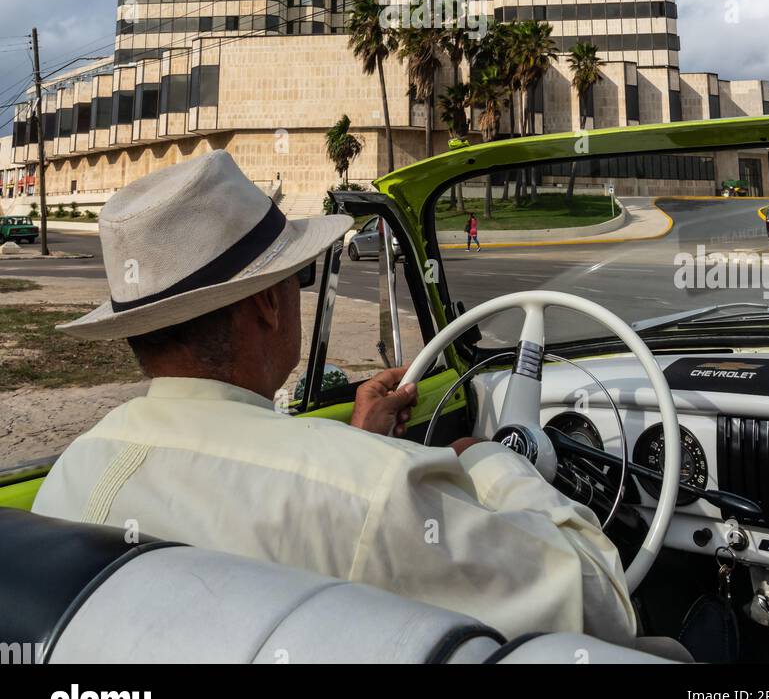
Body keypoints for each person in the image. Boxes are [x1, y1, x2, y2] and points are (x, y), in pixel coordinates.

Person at [32, 151, 640, 646]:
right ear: (266, 306)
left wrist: (356, 446)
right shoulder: (376, 492)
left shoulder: (74, 472)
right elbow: (602, 602)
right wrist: (494, 461)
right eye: (295, 278)